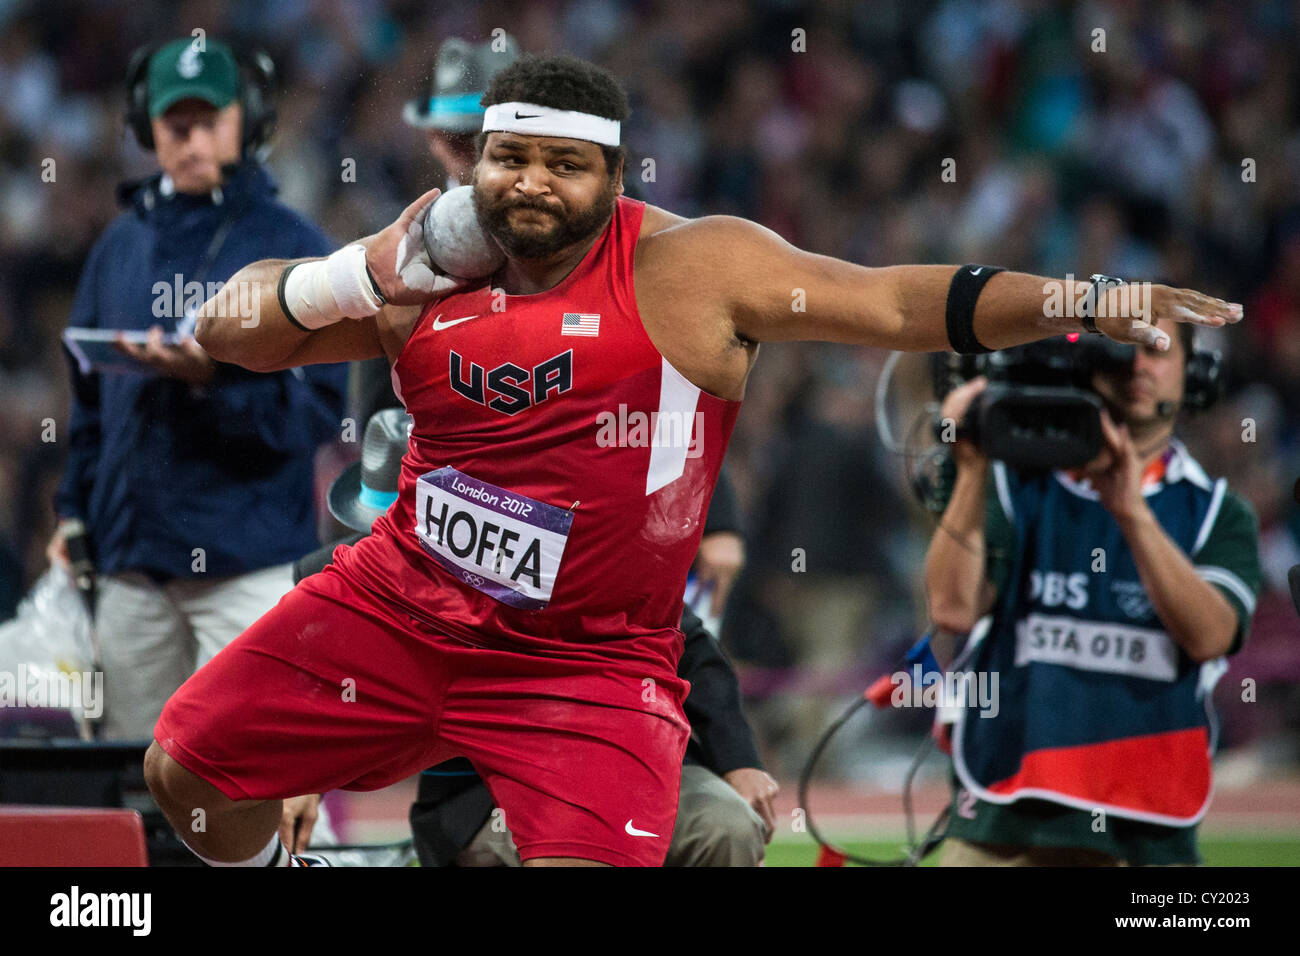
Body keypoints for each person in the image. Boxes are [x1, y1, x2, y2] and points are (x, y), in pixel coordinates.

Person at [145, 52, 1241, 868]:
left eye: (562, 165)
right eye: (509, 157)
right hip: (401, 602)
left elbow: (893, 299)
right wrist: (358, 268)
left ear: (612, 177)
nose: (529, 183)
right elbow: (231, 331)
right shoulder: (427, 263)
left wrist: (1076, 296)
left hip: (582, 664)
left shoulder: (691, 267)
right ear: (479, 158)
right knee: (180, 769)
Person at [288, 406, 774, 865]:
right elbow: (311, 686)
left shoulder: (553, 551)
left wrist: (740, 763)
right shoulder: (331, 580)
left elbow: (691, 647)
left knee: (725, 825)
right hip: (485, 796)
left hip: (624, 761)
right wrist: (301, 777)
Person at [47, 36, 347, 742]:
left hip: (246, 567)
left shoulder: (294, 245)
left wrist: (218, 382)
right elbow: (87, 406)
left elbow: (316, 415)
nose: (192, 140)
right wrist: (73, 513)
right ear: (147, 129)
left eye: (210, 121)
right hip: (131, 568)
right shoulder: (119, 244)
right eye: (175, 125)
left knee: (248, 777)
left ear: (248, 121)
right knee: (133, 776)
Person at [926, 318, 1262, 866]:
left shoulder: (1218, 513)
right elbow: (951, 607)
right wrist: (970, 469)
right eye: (1123, 348)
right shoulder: (1014, 478)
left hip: (1147, 831)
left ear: (1194, 373)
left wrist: (1130, 511)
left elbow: (1211, 636)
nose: (1137, 365)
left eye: (1157, 350)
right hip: (1006, 817)